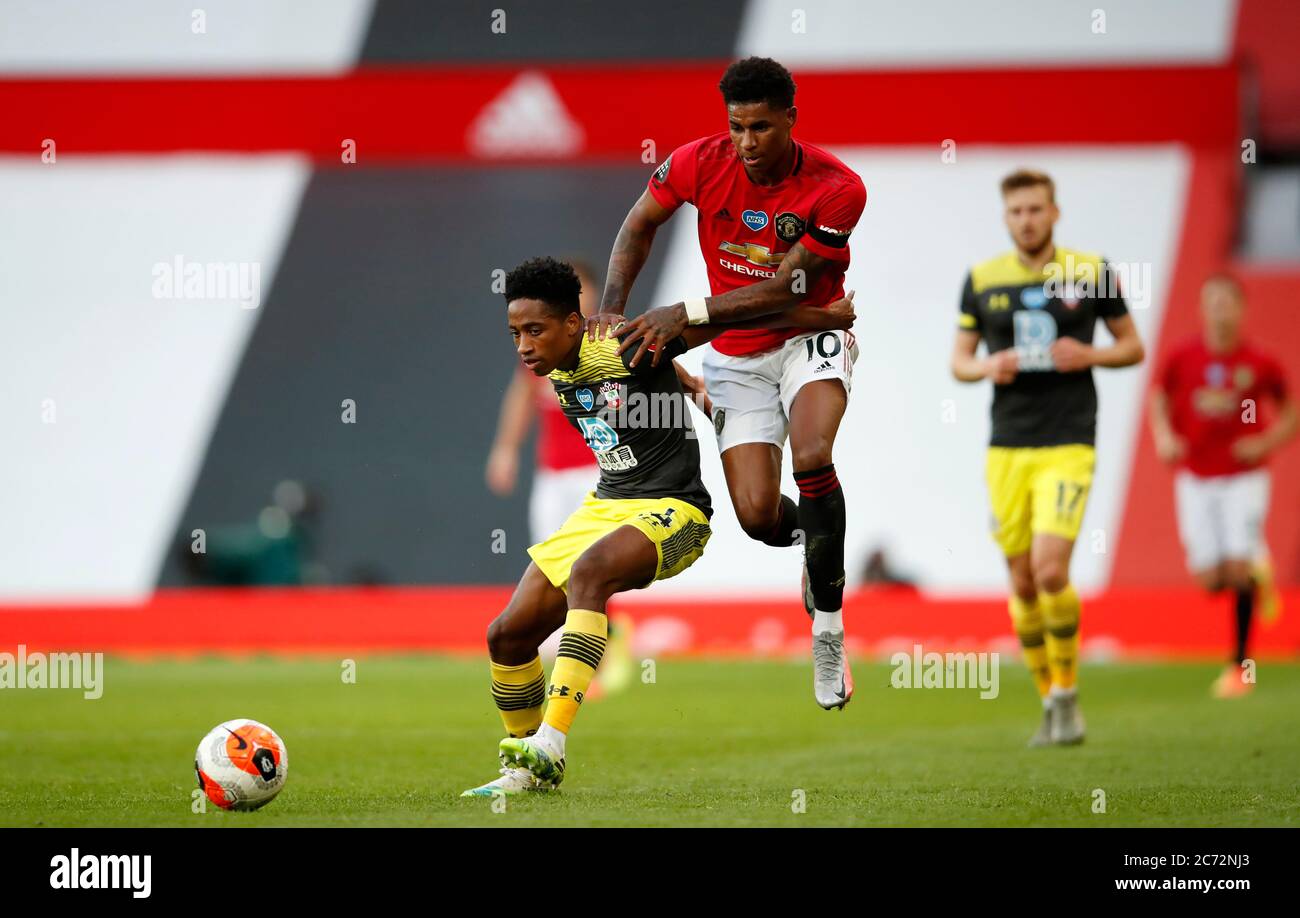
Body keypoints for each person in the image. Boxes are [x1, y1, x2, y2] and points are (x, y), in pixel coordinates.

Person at [463, 256, 854, 796]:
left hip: (676, 510)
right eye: (514, 334)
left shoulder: (624, 341)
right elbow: (660, 374)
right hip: (605, 503)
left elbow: (726, 322)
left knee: (590, 573)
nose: (524, 345)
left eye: (534, 331)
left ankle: (550, 742)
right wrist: (688, 386)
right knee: (506, 635)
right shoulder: (552, 365)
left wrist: (821, 317)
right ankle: (526, 771)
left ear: (574, 323)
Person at [589, 56, 867, 710]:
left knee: (813, 454)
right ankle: (810, 539)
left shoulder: (838, 188)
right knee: (757, 516)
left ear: (791, 121)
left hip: (809, 336)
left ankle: (827, 630)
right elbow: (639, 224)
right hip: (735, 358)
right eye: (738, 127)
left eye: (762, 128)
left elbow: (782, 289)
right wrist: (609, 308)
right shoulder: (696, 161)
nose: (747, 142)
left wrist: (683, 314)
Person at [949, 169, 1145, 746]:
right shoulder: (983, 280)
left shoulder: (1089, 271)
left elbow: (1133, 346)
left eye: (1036, 209)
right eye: (1016, 212)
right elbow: (958, 361)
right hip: (1007, 446)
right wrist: (989, 365)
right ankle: (1049, 703)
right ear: (1006, 217)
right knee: (1022, 581)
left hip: (1068, 440)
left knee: (1050, 569)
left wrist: (1088, 354)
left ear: (1055, 213)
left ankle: (1067, 692)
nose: (1026, 220)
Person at [1148, 272, 1297, 697]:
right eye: (1211, 302)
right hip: (1195, 476)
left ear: (1241, 309)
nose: (1219, 311)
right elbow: (1159, 396)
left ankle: (1240, 668)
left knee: (1238, 570)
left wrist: (1262, 440)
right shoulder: (1183, 357)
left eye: (1227, 303)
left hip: (1243, 478)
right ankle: (1258, 565)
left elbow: (1289, 413)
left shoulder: (1257, 365)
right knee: (1211, 579)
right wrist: (1165, 436)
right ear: (1201, 309)